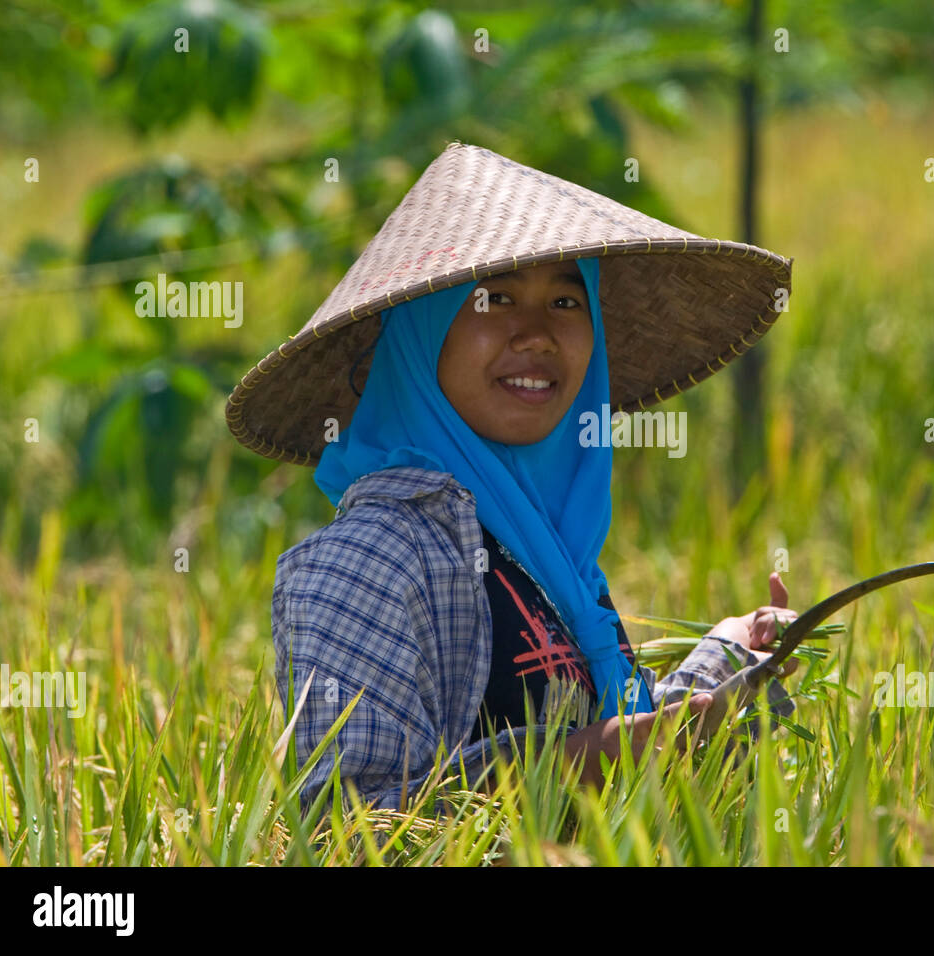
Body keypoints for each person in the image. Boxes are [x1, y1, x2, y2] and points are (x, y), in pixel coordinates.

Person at [226, 143, 798, 814]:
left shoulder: (549, 553)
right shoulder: (371, 561)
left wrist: (723, 661)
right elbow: (348, 829)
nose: (536, 334)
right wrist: (615, 753)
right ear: (418, 332)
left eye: (564, 298)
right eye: (494, 298)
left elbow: (613, 748)